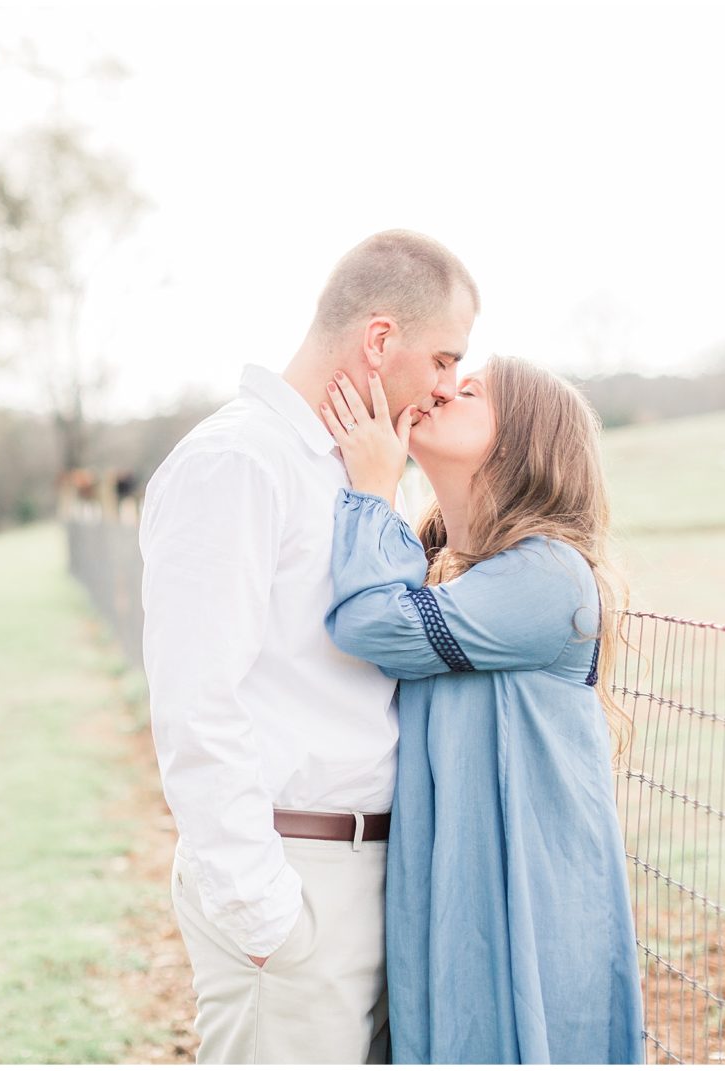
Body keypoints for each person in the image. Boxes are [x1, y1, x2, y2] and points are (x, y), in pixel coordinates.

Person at [139, 230, 478, 1063]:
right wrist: (265, 915)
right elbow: (195, 703)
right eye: (442, 359)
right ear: (378, 340)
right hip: (294, 879)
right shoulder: (238, 463)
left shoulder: (351, 472)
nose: (444, 387)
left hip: (363, 876)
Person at [318, 353, 645, 1063]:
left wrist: (375, 491)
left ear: (521, 442)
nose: (442, 391)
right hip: (451, 878)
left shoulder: (550, 574)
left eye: (469, 392)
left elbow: (377, 625)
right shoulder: (437, 561)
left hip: (529, 885)